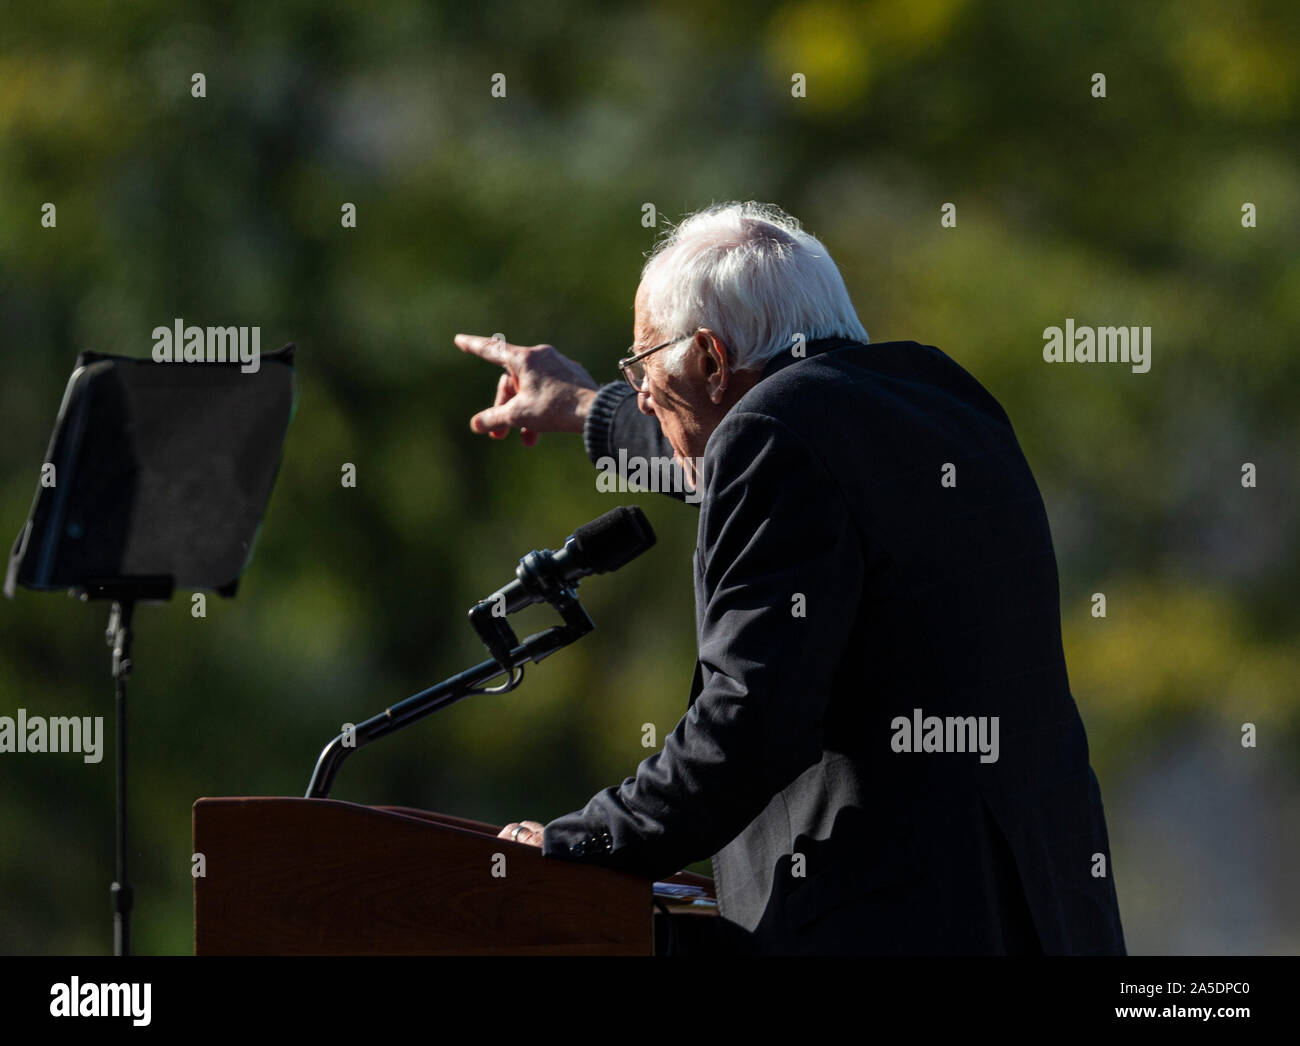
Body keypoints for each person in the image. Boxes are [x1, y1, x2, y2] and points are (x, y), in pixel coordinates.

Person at [457, 201, 1126, 955]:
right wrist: (585, 408)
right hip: (1042, 912)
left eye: (642, 366)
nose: (641, 390)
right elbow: (737, 442)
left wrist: (577, 845)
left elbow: (750, 727)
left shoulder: (774, 433)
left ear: (710, 357)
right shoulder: (944, 398)